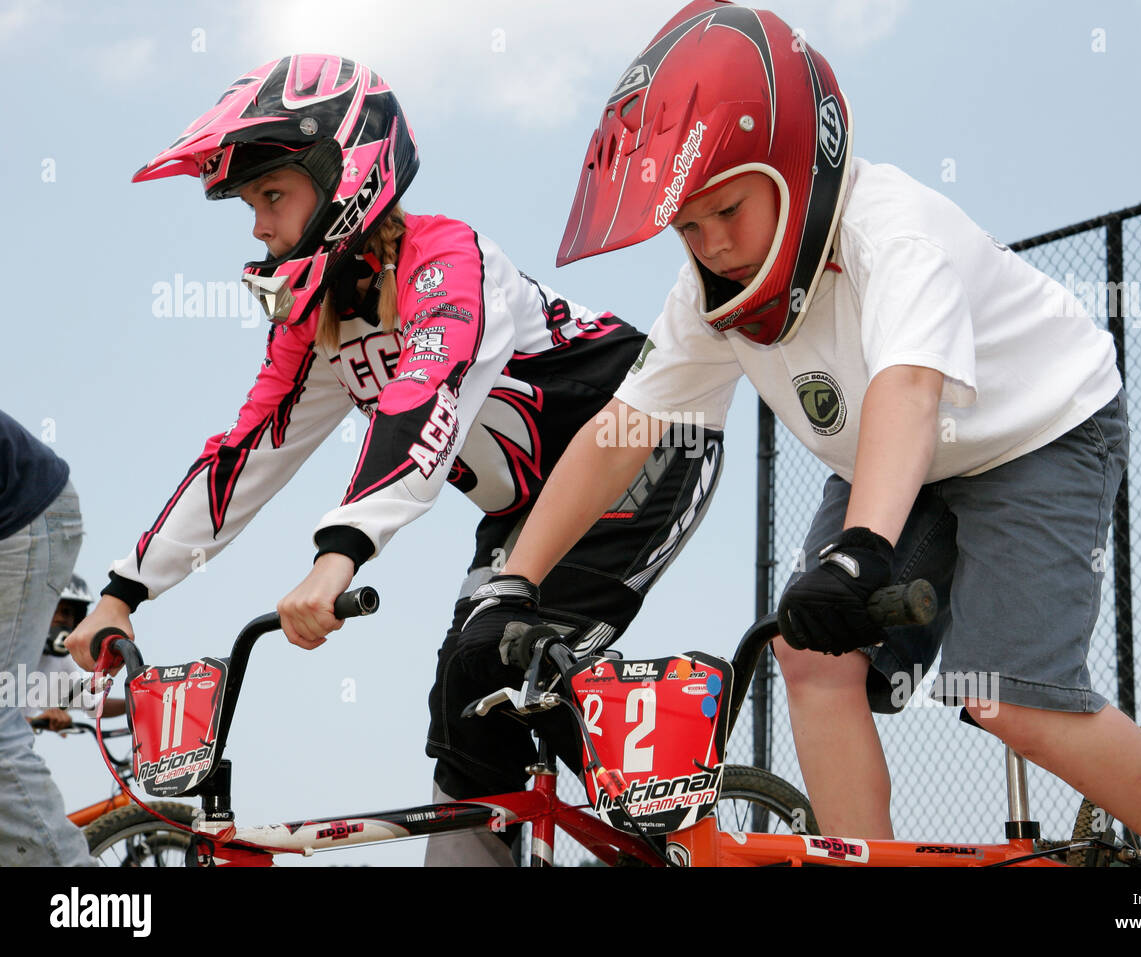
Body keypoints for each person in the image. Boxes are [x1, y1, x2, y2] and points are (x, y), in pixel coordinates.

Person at [487, 0, 1141, 865]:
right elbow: (624, 429)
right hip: (898, 459)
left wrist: (860, 550)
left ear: (793, 169)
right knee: (812, 655)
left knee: (1008, 697)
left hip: (1036, 429)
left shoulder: (890, 231)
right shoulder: (707, 298)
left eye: (728, 212)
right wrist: (514, 582)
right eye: (688, 227)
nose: (711, 247)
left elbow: (909, 390)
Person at [66, 55, 722, 866]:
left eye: (272, 196)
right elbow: (243, 457)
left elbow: (420, 402)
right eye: (248, 204)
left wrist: (334, 558)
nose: (258, 227)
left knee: (494, 661)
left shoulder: (449, 263)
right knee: (463, 707)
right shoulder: (320, 322)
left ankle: (679, 831)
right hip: (528, 508)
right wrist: (125, 592)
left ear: (349, 178)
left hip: (645, 454)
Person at [0, 410, 94, 866]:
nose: (60, 621)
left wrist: (137, 708)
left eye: (69, 614)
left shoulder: (50, 659)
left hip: (21, 515)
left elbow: (86, 697)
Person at [26, 575, 126, 731]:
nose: (59, 618)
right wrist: (32, 721)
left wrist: (139, 701)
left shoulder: (58, 661)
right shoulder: (7, 650)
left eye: (66, 612)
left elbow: (92, 703)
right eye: (52, 609)